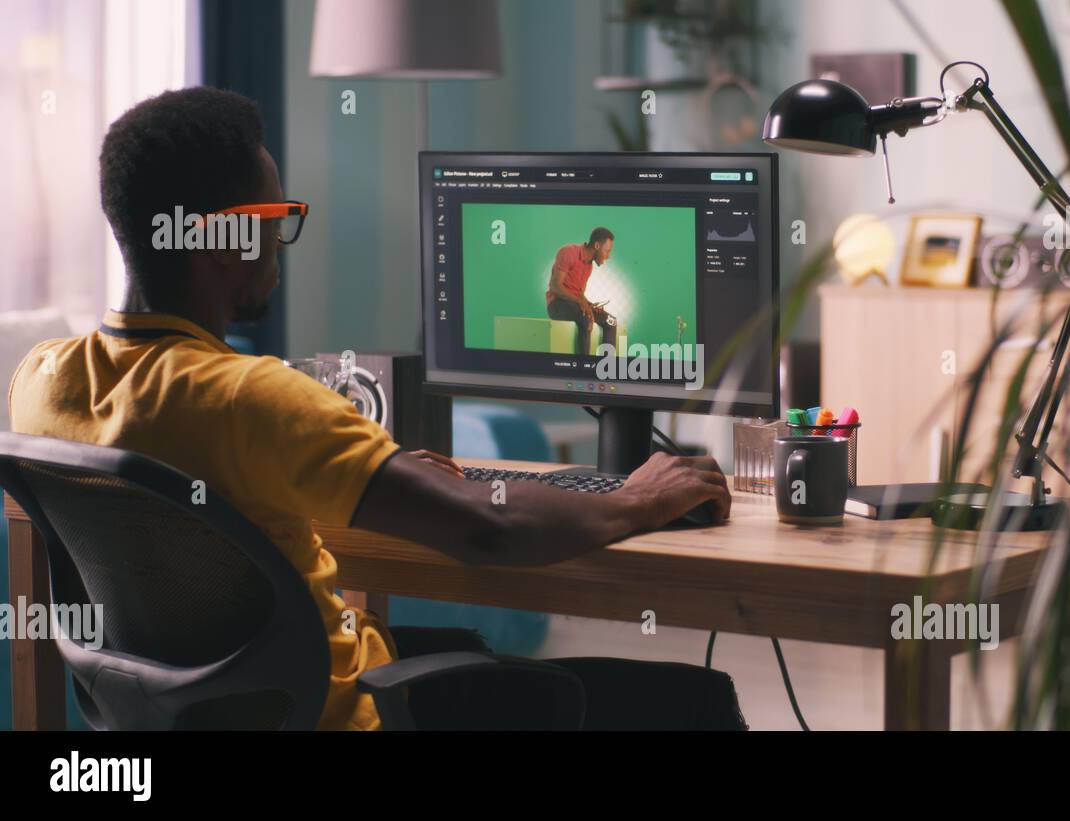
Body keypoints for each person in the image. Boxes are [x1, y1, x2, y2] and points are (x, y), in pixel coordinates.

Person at [7, 87, 744, 731]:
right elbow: (491, 527)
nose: (280, 242)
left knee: (476, 657)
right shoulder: (255, 395)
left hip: (204, 711)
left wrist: (379, 475)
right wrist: (639, 497)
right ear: (224, 238)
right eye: (276, 216)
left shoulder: (40, 380)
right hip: (347, 714)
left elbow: (203, 499)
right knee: (695, 700)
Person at [545, 228, 618, 355]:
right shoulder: (568, 252)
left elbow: (578, 294)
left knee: (611, 321)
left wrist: (589, 305)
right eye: (607, 251)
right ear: (596, 246)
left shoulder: (588, 266)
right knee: (586, 319)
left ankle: (607, 366)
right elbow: (555, 286)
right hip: (556, 304)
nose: (608, 256)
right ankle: (583, 365)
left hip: (574, 304)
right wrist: (581, 302)